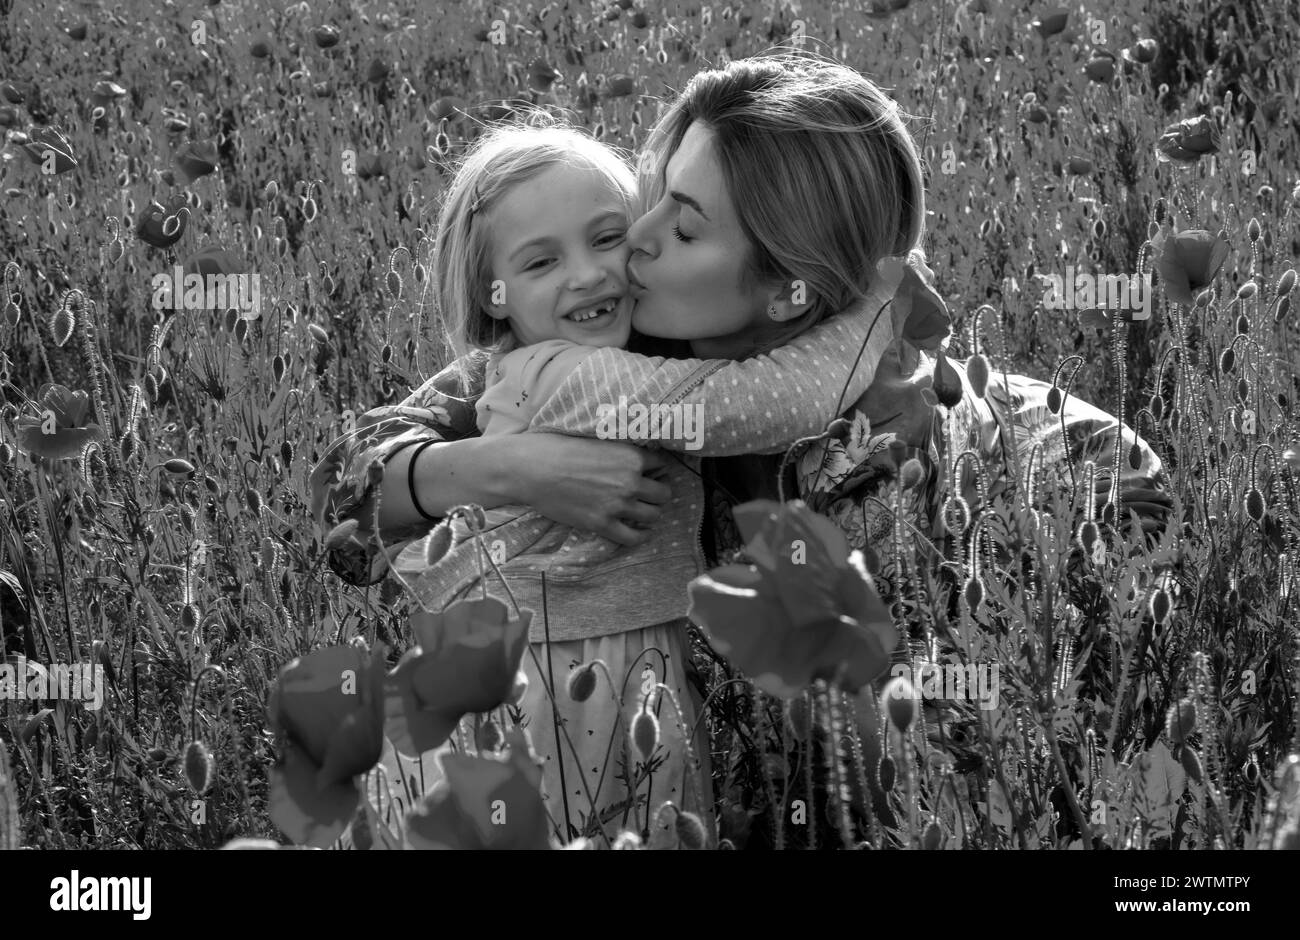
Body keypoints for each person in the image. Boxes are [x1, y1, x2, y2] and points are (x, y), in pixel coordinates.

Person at [312, 52, 1172, 847]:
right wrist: (509, 469)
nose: (634, 242)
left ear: (789, 290)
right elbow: (340, 496)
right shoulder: (624, 345)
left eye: (682, 231)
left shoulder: (875, 450)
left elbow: (901, 765)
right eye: (651, 198)